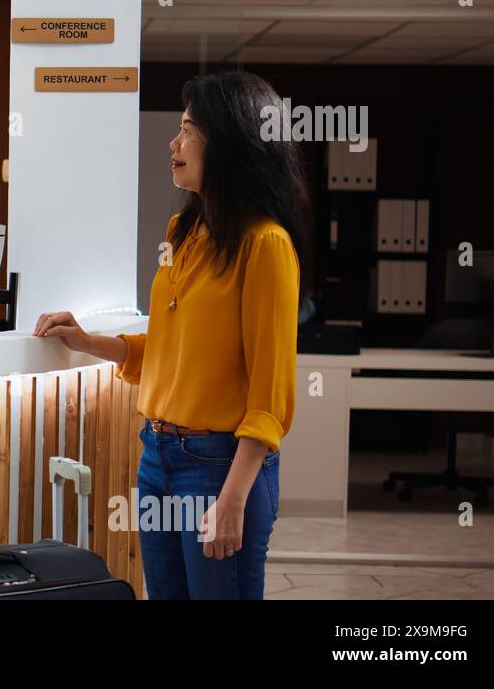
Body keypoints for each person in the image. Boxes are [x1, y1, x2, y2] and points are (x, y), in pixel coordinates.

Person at [34, 71, 311, 599]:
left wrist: (233, 499)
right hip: (158, 454)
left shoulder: (265, 245)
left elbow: (270, 393)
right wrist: (89, 341)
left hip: (219, 466)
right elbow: (168, 350)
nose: (173, 143)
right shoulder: (183, 233)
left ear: (229, 143)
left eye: (187, 129)